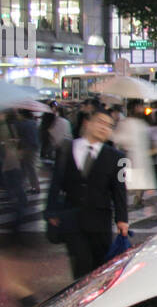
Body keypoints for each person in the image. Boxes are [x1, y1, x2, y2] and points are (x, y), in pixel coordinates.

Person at [46, 110, 129, 278]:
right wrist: (50, 210)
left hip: (100, 219)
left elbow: (119, 189)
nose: (104, 128)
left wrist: (122, 219)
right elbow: (56, 182)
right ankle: (82, 298)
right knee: (81, 263)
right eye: (100, 122)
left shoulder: (118, 157)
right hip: (72, 217)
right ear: (87, 123)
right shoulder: (66, 148)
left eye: (109, 126)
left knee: (100, 266)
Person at [113, 99, 156, 208]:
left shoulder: (141, 122)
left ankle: (136, 199)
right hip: (131, 157)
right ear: (134, 108)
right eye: (140, 106)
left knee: (136, 182)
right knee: (130, 183)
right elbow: (119, 139)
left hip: (139, 156)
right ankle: (129, 201)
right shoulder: (127, 122)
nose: (142, 109)